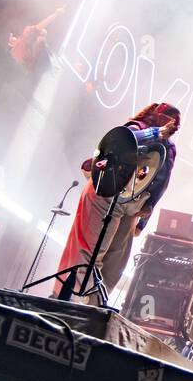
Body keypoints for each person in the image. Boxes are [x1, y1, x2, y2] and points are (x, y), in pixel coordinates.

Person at [53, 102, 181, 301]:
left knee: (116, 261)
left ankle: (93, 306)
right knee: (92, 249)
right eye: (169, 118)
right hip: (107, 192)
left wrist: (146, 215)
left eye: (177, 122)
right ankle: (69, 298)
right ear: (157, 116)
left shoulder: (170, 148)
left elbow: (163, 179)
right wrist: (157, 133)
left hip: (133, 203)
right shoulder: (138, 128)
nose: (174, 124)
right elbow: (122, 141)